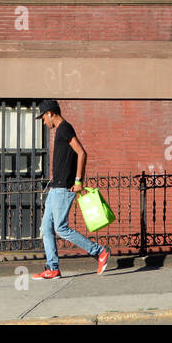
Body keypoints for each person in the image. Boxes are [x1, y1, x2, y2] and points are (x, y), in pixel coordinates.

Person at [31, 99, 110, 279]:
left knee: (61, 228)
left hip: (64, 188)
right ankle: (53, 268)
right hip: (55, 188)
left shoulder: (64, 128)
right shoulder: (60, 130)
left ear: (50, 113)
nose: (44, 122)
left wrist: (78, 180)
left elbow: (82, 152)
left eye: (43, 118)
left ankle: (100, 252)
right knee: (46, 227)